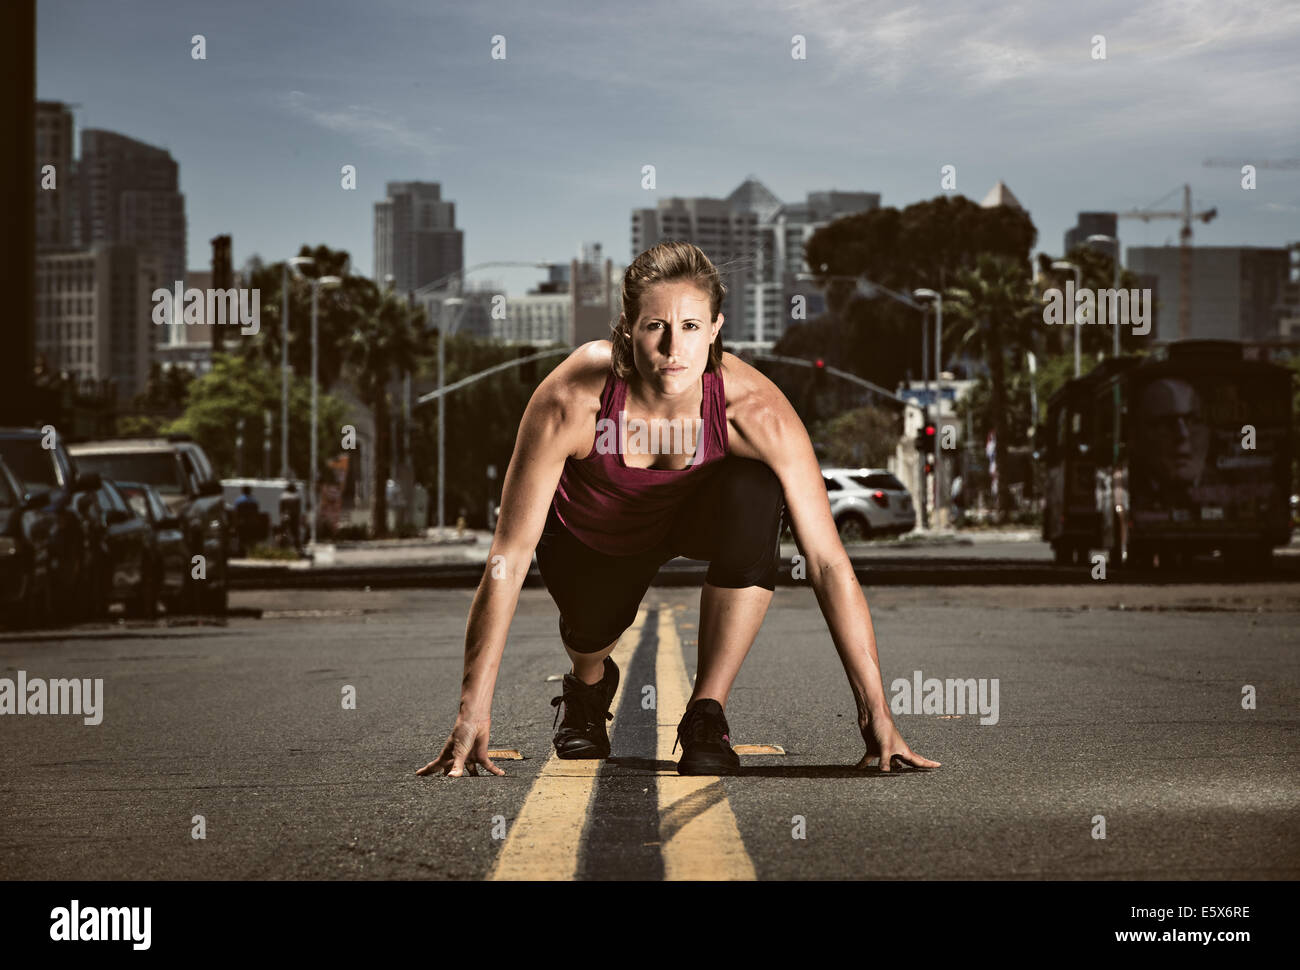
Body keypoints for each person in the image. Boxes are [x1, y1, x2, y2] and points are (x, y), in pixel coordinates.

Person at [417, 241, 938, 779]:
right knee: (591, 637)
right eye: (654, 326)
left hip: (693, 517)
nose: (673, 347)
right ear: (625, 327)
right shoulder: (573, 400)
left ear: (715, 328)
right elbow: (508, 555)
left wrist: (876, 711)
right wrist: (472, 712)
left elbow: (828, 561)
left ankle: (706, 713)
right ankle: (588, 686)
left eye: (690, 326)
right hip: (593, 539)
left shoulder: (753, 409)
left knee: (756, 488)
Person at [233, 485, 259, 556]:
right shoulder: (254, 500)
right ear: (250, 491)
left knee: (241, 539)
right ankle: (253, 553)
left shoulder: (239, 500)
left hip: (242, 522)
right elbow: (256, 512)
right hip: (252, 522)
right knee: (251, 538)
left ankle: (241, 553)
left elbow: (236, 513)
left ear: (242, 491)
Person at [278, 482, 303, 555]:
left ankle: (281, 548)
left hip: (285, 517)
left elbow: (281, 509)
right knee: (295, 534)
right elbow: (298, 510)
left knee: (283, 533)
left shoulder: (283, 496)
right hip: (294, 518)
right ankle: (298, 550)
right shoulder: (297, 497)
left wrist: (282, 517)